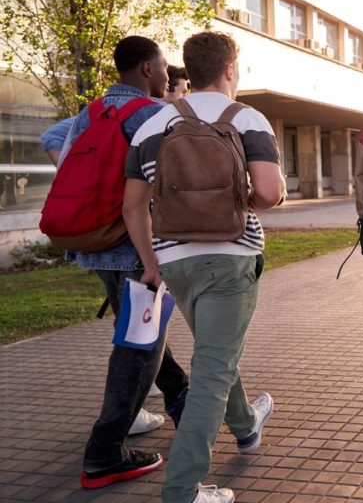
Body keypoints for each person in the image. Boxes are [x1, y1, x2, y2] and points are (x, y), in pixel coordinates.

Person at [122, 30, 285, 503]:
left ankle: (246, 424)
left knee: (216, 352)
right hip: (232, 258)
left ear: (188, 71)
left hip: (175, 261)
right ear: (230, 69)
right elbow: (271, 193)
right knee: (213, 368)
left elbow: (133, 205)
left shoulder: (153, 126)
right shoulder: (248, 118)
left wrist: (152, 265)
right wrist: (237, 204)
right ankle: (182, 490)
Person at [38, 36, 191, 490]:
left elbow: (57, 147)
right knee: (139, 347)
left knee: (140, 334)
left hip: (96, 241)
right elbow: (170, 185)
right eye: (163, 67)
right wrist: (153, 258)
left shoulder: (93, 111)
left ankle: (181, 398)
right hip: (135, 246)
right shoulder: (151, 114)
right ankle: (105, 453)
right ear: (146, 68)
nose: (167, 75)